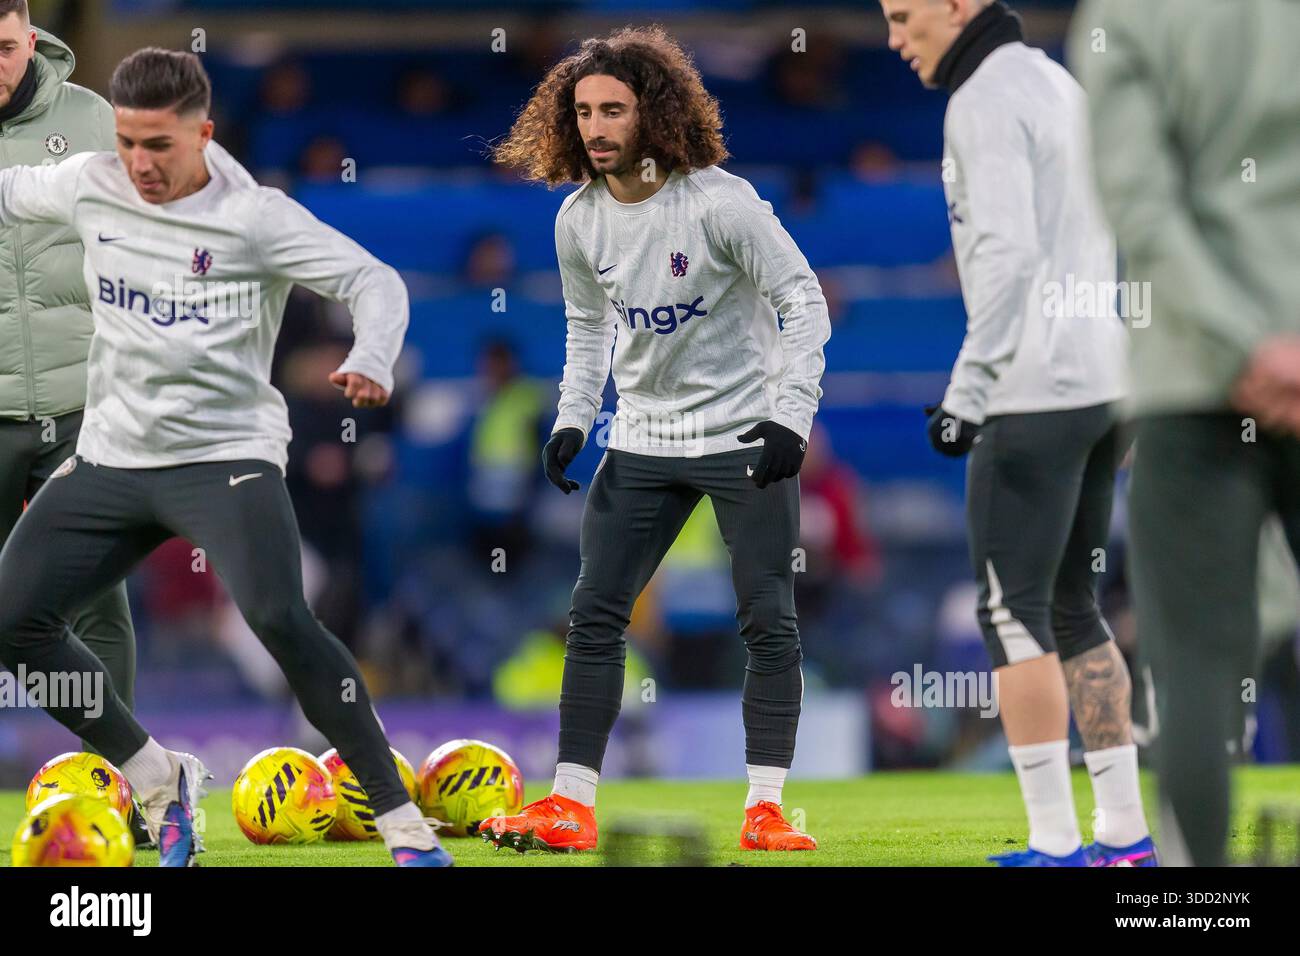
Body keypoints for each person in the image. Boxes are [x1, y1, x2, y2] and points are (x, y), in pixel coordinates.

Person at [0, 46, 448, 867]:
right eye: (128, 142)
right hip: (112, 456)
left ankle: (403, 824)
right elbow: (9, 190)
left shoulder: (256, 218)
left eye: (159, 146)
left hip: (223, 458)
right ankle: (159, 775)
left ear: (203, 133)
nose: (139, 164)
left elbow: (376, 282)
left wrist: (375, 357)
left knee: (280, 617)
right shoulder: (92, 182)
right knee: (11, 621)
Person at [480, 25, 830, 853]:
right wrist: (573, 418)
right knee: (594, 615)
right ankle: (569, 804)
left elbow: (804, 301)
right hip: (640, 437)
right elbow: (586, 325)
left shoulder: (720, 204)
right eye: (584, 111)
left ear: (655, 113)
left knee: (767, 620)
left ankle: (766, 808)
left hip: (743, 437)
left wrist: (792, 415)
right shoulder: (576, 221)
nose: (597, 127)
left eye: (614, 110)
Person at [881, 0, 1153, 866]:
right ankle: (1124, 834)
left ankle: (1053, 841)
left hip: (1032, 384)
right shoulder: (1060, 83)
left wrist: (968, 388)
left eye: (903, 15)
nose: (894, 38)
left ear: (958, 6)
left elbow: (1004, 255)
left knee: (1011, 611)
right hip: (1104, 378)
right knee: (1077, 609)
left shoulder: (982, 99)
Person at [1072, 0, 1300, 866]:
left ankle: (1198, 904)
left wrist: (1247, 346)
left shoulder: (1122, 16)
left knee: (1198, 669)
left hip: (1192, 382)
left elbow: (1139, 201)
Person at [0, 3, 144, 772]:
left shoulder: (91, 118)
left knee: (95, 601)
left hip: (81, 403)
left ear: (31, 40)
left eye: (5, 48)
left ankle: (117, 780)